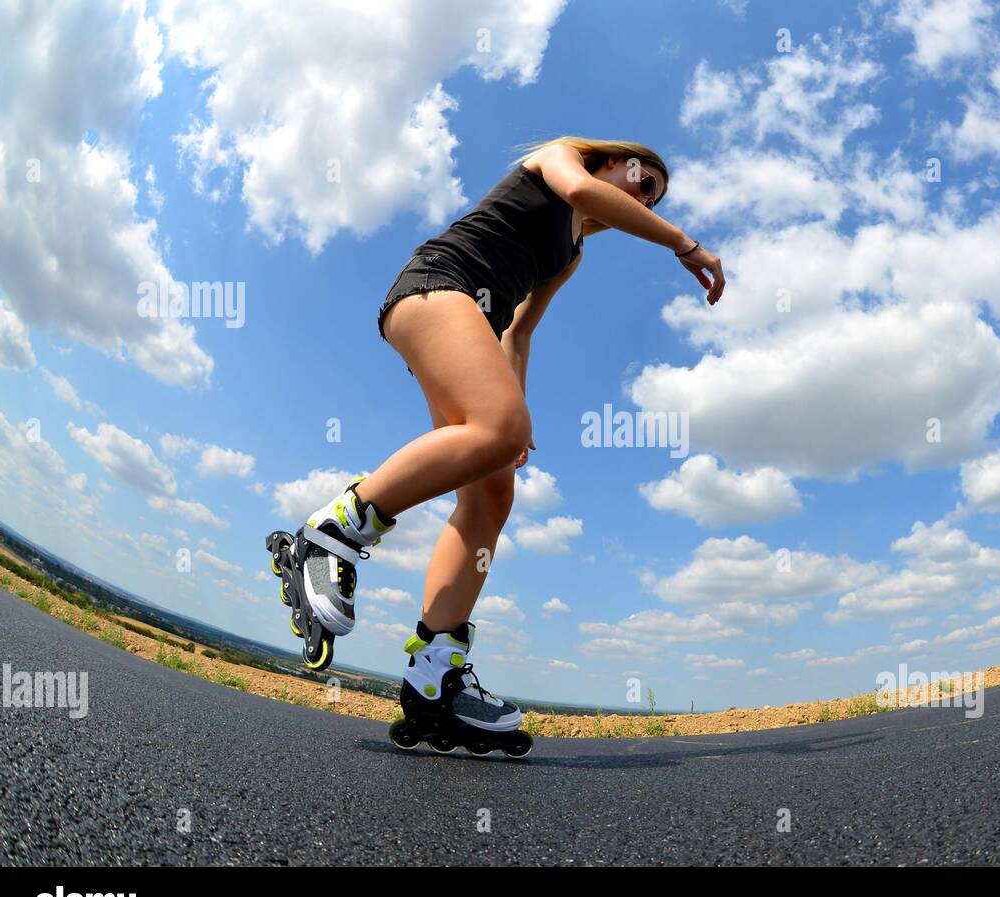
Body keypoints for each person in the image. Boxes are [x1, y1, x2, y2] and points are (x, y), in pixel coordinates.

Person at [267, 135, 726, 753]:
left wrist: (518, 412)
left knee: (491, 495)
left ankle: (436, 678)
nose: (644, 194)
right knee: (497, 431)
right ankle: (330, 534)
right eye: (642, 178)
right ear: (611, 158)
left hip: (474, 328)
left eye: (656, 196)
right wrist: (683, 242)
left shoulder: (571, 255)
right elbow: (584, 190)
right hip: (436, 287)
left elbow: (518, 327)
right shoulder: (559, 160)